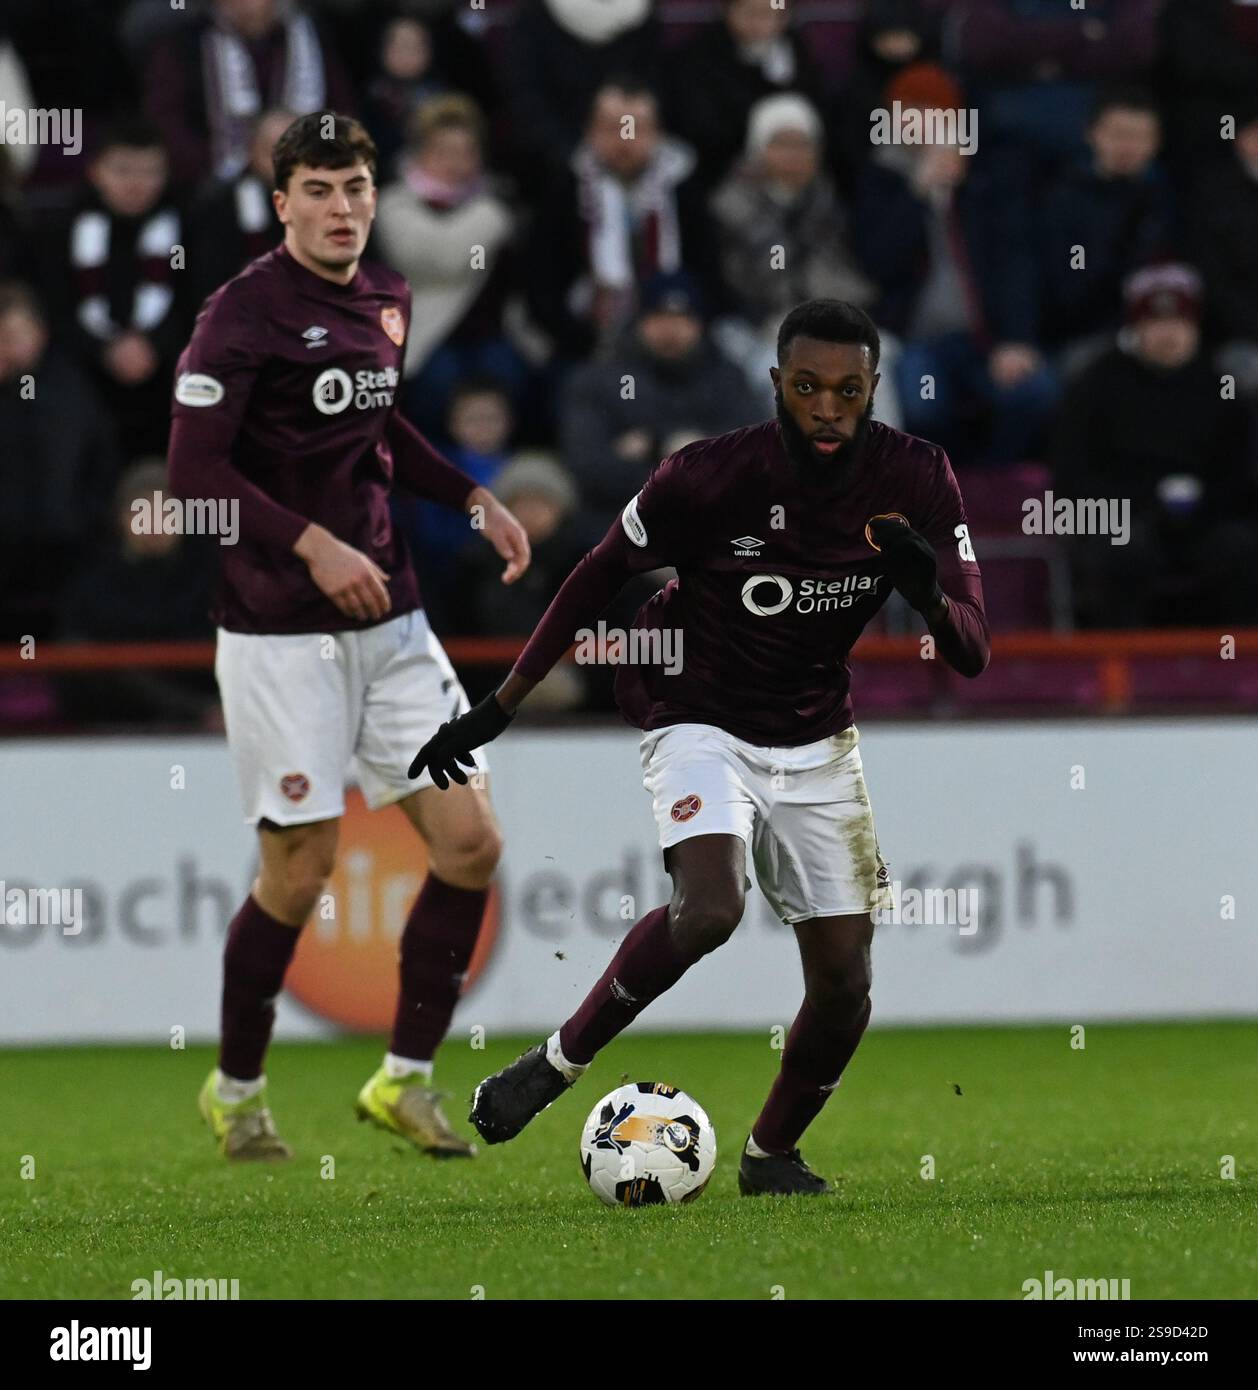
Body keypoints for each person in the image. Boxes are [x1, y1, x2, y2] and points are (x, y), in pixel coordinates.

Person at [411, 299, 990, 1195]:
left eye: (848, 390)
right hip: (697, 711)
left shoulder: (917, 476)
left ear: (875, 387)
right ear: (776, 384)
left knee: (845, 983)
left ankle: (770, 1156)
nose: (827, 408)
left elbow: (973, 651)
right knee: (711, 908)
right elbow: (596, 574)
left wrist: (930, 597)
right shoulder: (708, 476)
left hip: (816, 733)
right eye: (807, 387)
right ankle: (557, 1064)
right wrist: (500, 704)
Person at [166, 112, 530, 1161]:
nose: (340, 209)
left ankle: (403, 1080)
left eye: (356, 188)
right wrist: (311, 545)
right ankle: (238, 1090)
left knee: (472, 844)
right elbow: (192, 478)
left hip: (392, 617)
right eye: (318, 190)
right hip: (280, 632)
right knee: (300, 871)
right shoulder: (239, 315)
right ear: (281, 202)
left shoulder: (386, 296)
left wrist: (470, 498)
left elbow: (379, 428)